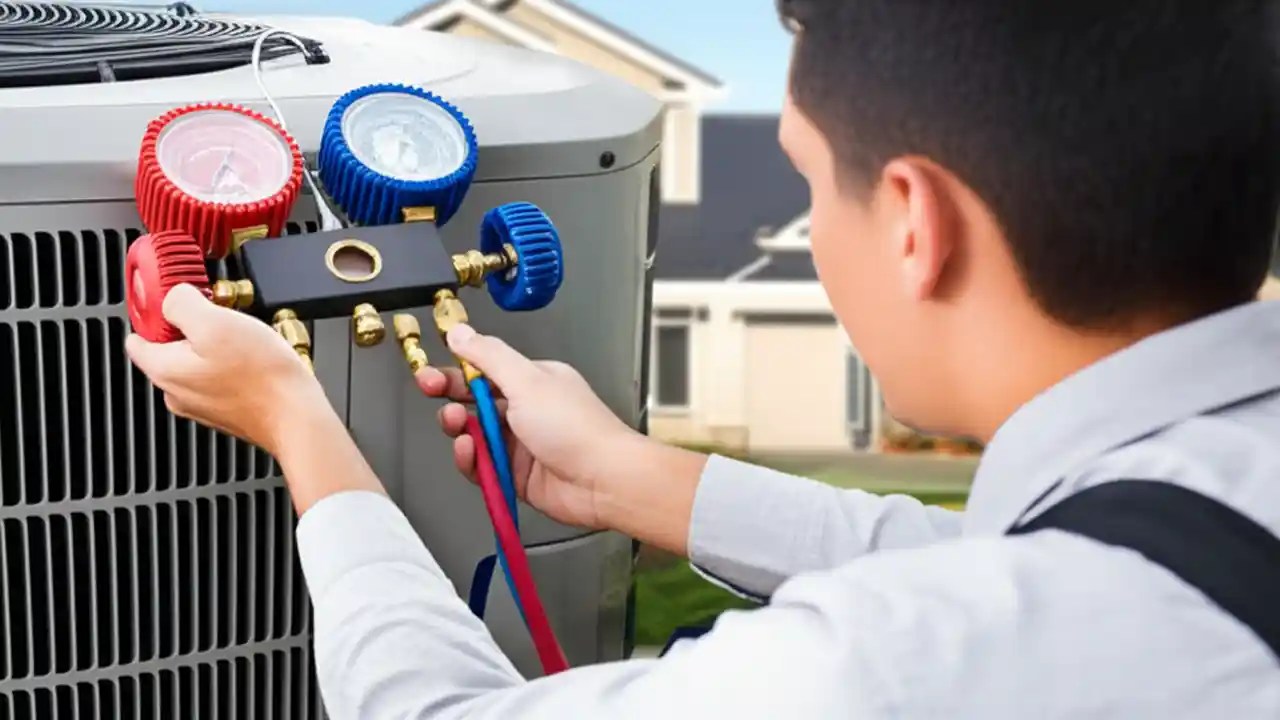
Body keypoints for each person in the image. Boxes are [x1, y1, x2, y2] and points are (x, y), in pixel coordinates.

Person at [126, 1, 1280, 717]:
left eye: (802, 175)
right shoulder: (1205, 501)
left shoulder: (903, 668)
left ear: (913, 223)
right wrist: (638, 480)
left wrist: (301, 427)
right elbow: (1018, 552)